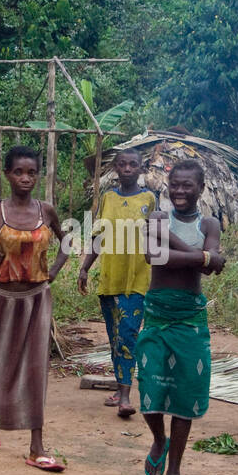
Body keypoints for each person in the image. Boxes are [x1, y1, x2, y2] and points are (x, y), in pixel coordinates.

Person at [0, 146, 71, 471]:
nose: (25, 178)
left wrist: (54, 271)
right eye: (18, 172)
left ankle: (37, 446)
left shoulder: (46, 211)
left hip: (37, 298)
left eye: (31, 173)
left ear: (38, 175)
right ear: (7, 174)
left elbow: (67, 241)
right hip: (2, 298)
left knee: (35, 369)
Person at [137, 159, 224, 475]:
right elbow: (155, 258)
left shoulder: (210, 222)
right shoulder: (158, 218)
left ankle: (174, 470)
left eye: (188, 185)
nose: (180, 191)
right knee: (149, 388)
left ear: (201, 188)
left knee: (185, 395)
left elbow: (179, 256)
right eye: (175, 185)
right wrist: (204, 257)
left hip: (190, 317)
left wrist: (186, 251)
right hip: (157, 312)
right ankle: (159, 438)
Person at [78, 149, 157, 419]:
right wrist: (85, 268)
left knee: (128, 335)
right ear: (115, 167)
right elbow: (99, 236)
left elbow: (157, 242)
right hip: (110, 279)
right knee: (114, 337)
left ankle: (125, 395)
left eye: (132, 164)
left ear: (140, 168)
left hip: (136, 281)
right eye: (122, 164)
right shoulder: (107, 198)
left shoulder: (150, 199)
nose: (127, 169)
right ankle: (119, 386)